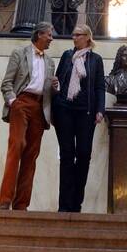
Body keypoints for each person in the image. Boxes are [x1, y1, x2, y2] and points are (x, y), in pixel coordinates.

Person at [0, 23, 58, 211]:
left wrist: (55, 87)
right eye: (49, 35)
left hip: (40, 109)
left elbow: (48, 90)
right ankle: (5, 200)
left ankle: (21, 205)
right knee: (16, 147)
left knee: (31, 156)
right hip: (21, 104)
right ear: (39, 35)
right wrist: (13, 102)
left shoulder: (50, 62)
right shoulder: (20, 53)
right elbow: (7, 83)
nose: (51, 38)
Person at [53, 24, 105, 212]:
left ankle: (76, 203)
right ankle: (64, 205)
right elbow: (58, 80)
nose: (74, 38)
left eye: (78, 35)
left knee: (83, 156)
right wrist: (55, 91)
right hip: (64, 110)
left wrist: (100, 109)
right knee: (67, 156)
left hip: (86, 113)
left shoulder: (96, 60)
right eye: (73, 34)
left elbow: (100, 86)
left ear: (87, 37)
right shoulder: (67, 56)